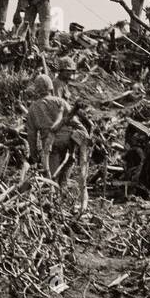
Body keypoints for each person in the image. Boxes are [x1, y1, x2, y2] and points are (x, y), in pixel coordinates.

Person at [24, 73, 89, 202]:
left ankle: (57, 204)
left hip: (50, 147)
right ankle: (63, 200)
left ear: (36, 89)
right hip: (68, 143)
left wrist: (34, 154)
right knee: (64, 177)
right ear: (50, 88)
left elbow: (31, 135)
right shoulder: (61, 102)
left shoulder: (33, 108)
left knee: (52, 179)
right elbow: (75, 122)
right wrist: (85, 135)